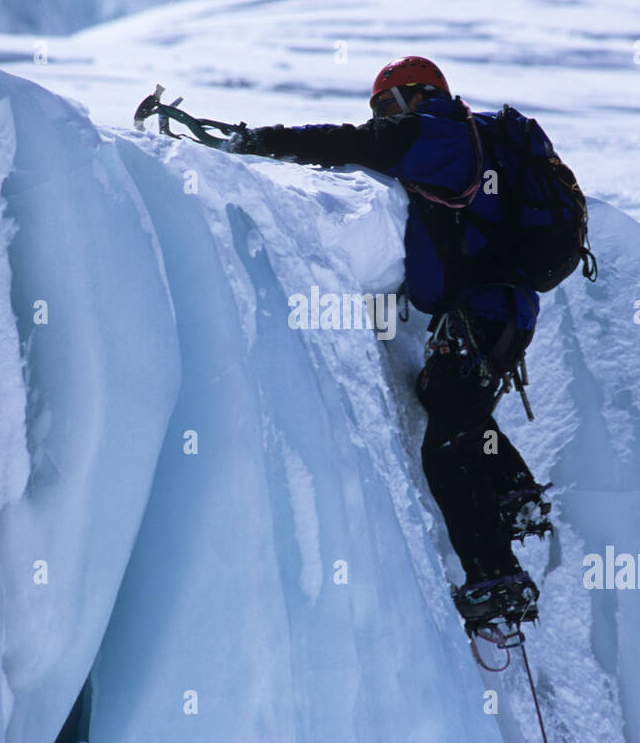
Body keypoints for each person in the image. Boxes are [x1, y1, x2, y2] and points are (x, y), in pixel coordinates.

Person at [223, 56, 564, 625]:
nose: (382, 118)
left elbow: (349, 144)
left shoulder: (435, 131)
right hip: (507, 313)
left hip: (480, 313)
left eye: (386, 106)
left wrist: (263, 141)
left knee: (445, 446)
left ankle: (494, 577)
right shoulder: (474, 138)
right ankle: (513, 490)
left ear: (415, 95)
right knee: (450, 401)